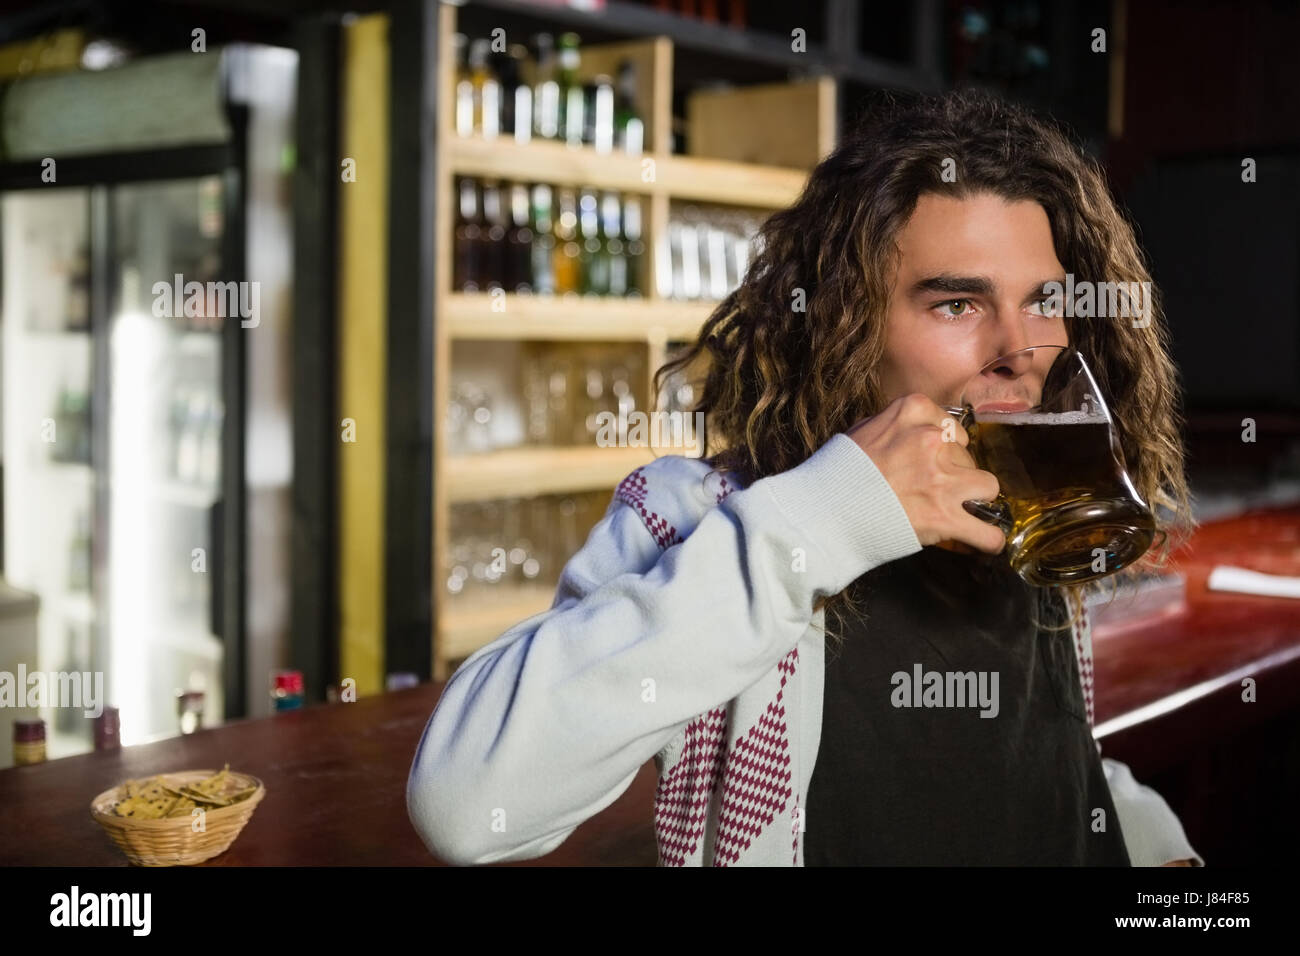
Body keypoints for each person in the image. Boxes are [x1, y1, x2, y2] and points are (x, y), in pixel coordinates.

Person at [407, 89, 1203, 867]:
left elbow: (1027, 762)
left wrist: (1151, 843)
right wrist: (831, 515)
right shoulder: (704, 518)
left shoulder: (1033, 510)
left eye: (1044, 302)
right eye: (958, 304)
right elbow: (463, 806)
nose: (1018, 350)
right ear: (844, 323)